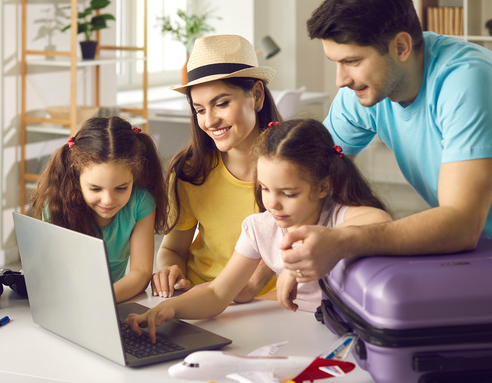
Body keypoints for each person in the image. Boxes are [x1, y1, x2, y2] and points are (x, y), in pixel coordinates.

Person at [283, 0, 492, 297]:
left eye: (352, 61)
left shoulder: (466, 81)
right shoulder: (363, 93)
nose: (340, 79)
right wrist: (284, 258)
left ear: (401, 47)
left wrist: (343, 241)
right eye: (335, 62)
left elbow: (461, 225)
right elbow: (314, 178)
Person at [126, 119, 391, 342]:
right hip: (299, 333)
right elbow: (218, 293)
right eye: (264, 188)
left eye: (288, 193)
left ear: (323, 187)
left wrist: (296, 262)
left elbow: (379, 219)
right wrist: (169, 308)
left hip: (350, 332)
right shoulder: (260, 228)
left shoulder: (337, 214)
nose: (272, 203)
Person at [150, 34, 282, 301]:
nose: (210, 121)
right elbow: (173, 248)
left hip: (272, 305)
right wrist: (169, 270)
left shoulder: (295, 166)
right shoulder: (190, 172)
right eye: (199, 109)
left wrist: (248, 288)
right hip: (199, 298)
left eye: (222, 103)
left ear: (257, 96)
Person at [29, 116, 168, 303]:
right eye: (95, 188)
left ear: (134, 176)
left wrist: (98, 302)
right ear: (76, 177)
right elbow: (51, 273)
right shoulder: (56, 204)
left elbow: (141, 273)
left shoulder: (141, 203)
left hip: (110, 303)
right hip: (63, 300)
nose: (108, 200)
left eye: (121, 188)